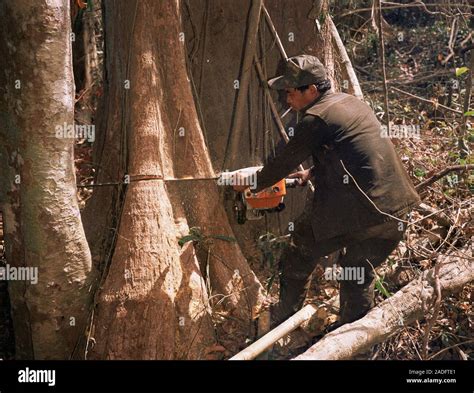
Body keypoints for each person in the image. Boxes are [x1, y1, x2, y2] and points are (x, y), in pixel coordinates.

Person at [234, 55, 421, 328]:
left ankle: (284, 318)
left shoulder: (316, 118)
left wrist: (252, 183)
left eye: (290, 92)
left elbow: (283, 161)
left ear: (311, 90)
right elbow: (354, 153)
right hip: (396, 210)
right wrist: (313, 172)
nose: (287, 99)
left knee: (300, 246)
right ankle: (354, 342)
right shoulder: (350, 103)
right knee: (357, 273)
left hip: (366, 211)